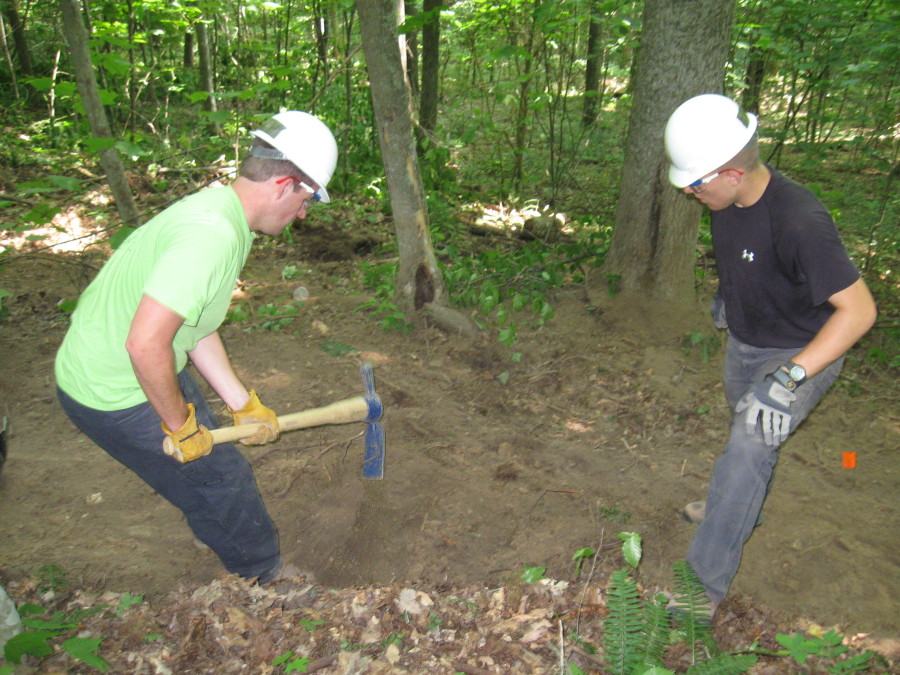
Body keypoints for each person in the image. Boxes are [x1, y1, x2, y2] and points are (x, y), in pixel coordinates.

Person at [54, 111, 338, 584]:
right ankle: (262, 574)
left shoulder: (223, 213)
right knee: (225, 480)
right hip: (112, 387)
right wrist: (178, 427)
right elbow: (145, 345)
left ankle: (214, 526)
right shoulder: (212, 234)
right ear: (285, 184)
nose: (306, 212)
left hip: (134, 364)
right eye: (309, 199)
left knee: (206, 463)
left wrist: (242, 404)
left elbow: (193, 326)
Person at [664, 94, 877, 618]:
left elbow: (859, 311)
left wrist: (789, 379)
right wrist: (730, 298)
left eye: (696, 182)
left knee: (749, 447)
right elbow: (754, 260)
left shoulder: (800, 219)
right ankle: (732, 512)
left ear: (732, 173)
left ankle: (700, 591)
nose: (689, 191)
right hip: (745, 346)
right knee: (744, 441)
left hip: (799, 356)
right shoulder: (726, 202)